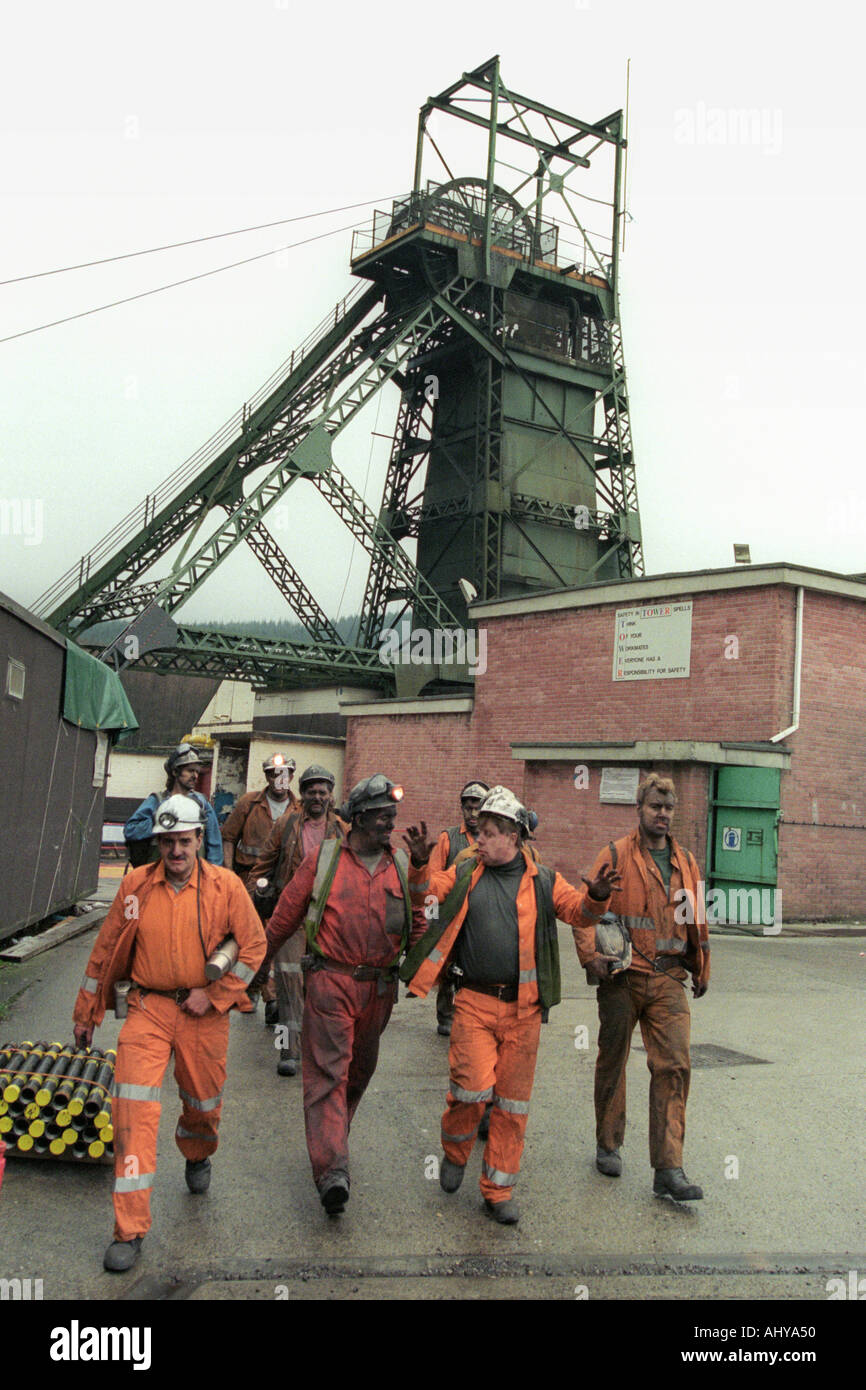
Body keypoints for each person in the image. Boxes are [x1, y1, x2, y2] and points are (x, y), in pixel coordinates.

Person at [402, 786, 614, 1226]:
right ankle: (455, 1152)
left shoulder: (543, 879)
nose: (478, 839)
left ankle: (498, 1190)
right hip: (474, 1004)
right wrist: (421, 866)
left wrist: (596, 898)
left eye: (489, 832)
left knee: (512, 1105)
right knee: (471, 1089)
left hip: (524, 1012)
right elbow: (427, 895)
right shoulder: (464, 870)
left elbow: (579, 913)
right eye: (477, 831)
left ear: (514, 836)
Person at [73, 794, 266, 1272]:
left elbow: (254, 946)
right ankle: (129, 1229)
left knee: (202, 1103)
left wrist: (216, 995)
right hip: (149, 1009)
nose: (176, 851)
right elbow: (105, 950)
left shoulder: (225, 887)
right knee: (133, 1112)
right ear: (157, 843)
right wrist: (87, 1012)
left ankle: (197, 1152)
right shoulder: (136, 886)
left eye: (184, 841)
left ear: (200, 838)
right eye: (167, 842)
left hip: (204, 1014)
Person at [255, 774, 427, 1216]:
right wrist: (256, 969)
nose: (389, 824)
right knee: (328, 1073)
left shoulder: (402, 865)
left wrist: (422, 878)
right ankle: (332, 1170)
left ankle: (333, 1138)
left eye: (392, 816)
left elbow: (423, 929)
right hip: (331, 982)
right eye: (381, 817)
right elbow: (285, 915)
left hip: (380, 989)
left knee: (360, 1071)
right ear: (358, 818)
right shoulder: (326, 860)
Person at [572, 773, 710, 1201]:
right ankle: (608, 1143)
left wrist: (701, 965)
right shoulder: (613, 856)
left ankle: (668, 1168)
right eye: (655, 807)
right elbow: (584, 913)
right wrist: (591, 958)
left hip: (669, 979)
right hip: (622, 979)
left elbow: (695, 921)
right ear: (640, 809)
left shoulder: (686, 862)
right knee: (613, 1059)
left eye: (668, 808)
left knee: (673, 1067)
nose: (663, 814)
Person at [248, 765, 344, 1076]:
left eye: (323, 791)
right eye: (311, 791)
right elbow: (263, 864)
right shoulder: (287, 824)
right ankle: (287, 1051)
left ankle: (314, 1047)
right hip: (292, 915)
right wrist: (256, 895)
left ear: (330, 795)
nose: (317, 796)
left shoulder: (342, 829)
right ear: (302, 794)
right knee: (288, 983)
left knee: (318, 986)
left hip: (326, 919)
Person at [421, 781, 489, 1038]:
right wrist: (432, 922)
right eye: (468, 808)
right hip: (451, 916)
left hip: (481, 916)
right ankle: (446, 1015)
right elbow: (433, 879)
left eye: (477, 808)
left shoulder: (494, 838)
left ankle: (473, 1015)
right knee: (449, 967)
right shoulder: (448, 838)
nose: (472, 814)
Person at [123, 742, 223, 866]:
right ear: (175, 772)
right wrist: (160, 820)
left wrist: (212, 875)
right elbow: (131, 831)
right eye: (190, 771)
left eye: (197, 771)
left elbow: (214, 845)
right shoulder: (157, 801)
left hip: (194, 877)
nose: (195, 776)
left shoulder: (202, 804)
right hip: (158, 874)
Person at [221, 753, 298, 883]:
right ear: (267, 777)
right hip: (248, 877)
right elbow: (228, 838)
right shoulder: (249, 803)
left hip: (283, 881)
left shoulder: (299, 810)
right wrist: (229, 874)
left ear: (290, 778)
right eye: (274, 775)